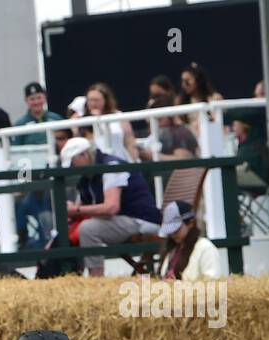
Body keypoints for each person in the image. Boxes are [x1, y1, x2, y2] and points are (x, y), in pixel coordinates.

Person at [60, 136, 161, 277]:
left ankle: (96, 279)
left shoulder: (111, 166)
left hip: (141, 219)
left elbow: (111, 207)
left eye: (73, 162)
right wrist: (74, 210)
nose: (72, 167)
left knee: (88, 229)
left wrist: (75, 210)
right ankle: (77, 274)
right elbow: (83, 206)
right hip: (129, 219)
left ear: (84, 155)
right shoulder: (88, 176)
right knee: (79, 228)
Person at [157, 200, 221, 280]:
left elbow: (213, 285)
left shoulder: (206, 249)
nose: (172, 234)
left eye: (176, 229)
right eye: (170, 231)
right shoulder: (172, 250)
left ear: (190, 223)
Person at [137, 93, 198, 161]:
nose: (157, 124)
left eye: (159, 119)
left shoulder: (181, 133)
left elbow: (184, 160)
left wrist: (154, 157)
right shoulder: (158, 133)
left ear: (170, 115)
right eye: (154, 120)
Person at [84, 82, 137, 159]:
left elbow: (130, 142)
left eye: (96, 100)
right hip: (97, 166)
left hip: (120, 160)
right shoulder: (83, 121)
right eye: (90, 100)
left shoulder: (118, 116)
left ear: (105, 100)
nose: (93, 103)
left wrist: (135, 164)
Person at [11, 82, 64, 146]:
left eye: (39, 98)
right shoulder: (20, 124)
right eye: (32, 99)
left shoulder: (56, 119)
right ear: (26, 100)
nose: (36, 102)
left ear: (45, 97)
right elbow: (16, 148)